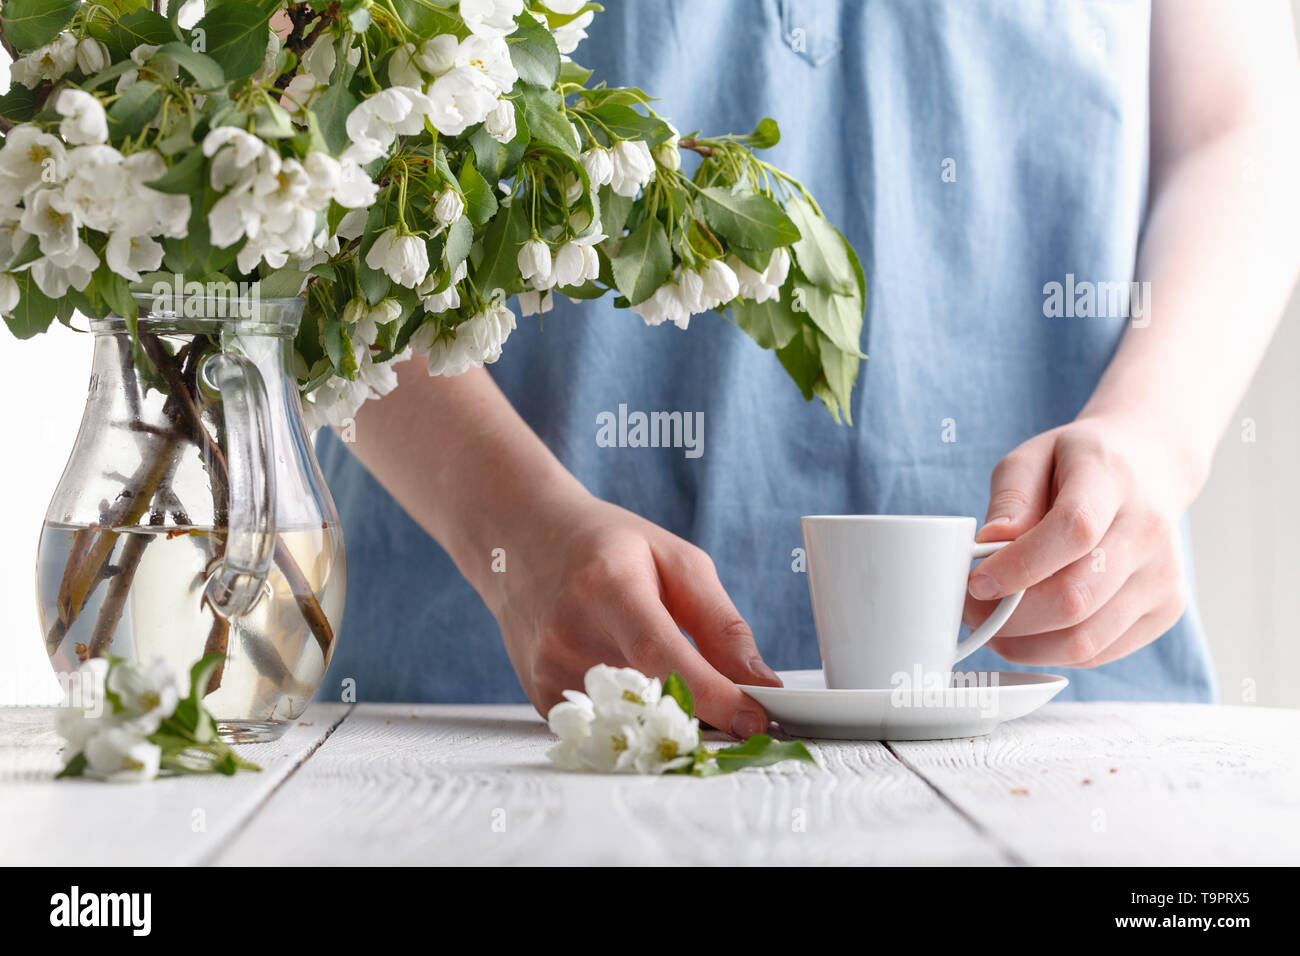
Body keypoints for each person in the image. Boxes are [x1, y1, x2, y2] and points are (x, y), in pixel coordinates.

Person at [314, 0, 1300, 738]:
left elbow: (1233, 123)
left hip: (1063, 729)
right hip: (495, 726)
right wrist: (512, 531)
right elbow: (310, 144)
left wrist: (1152, 439)